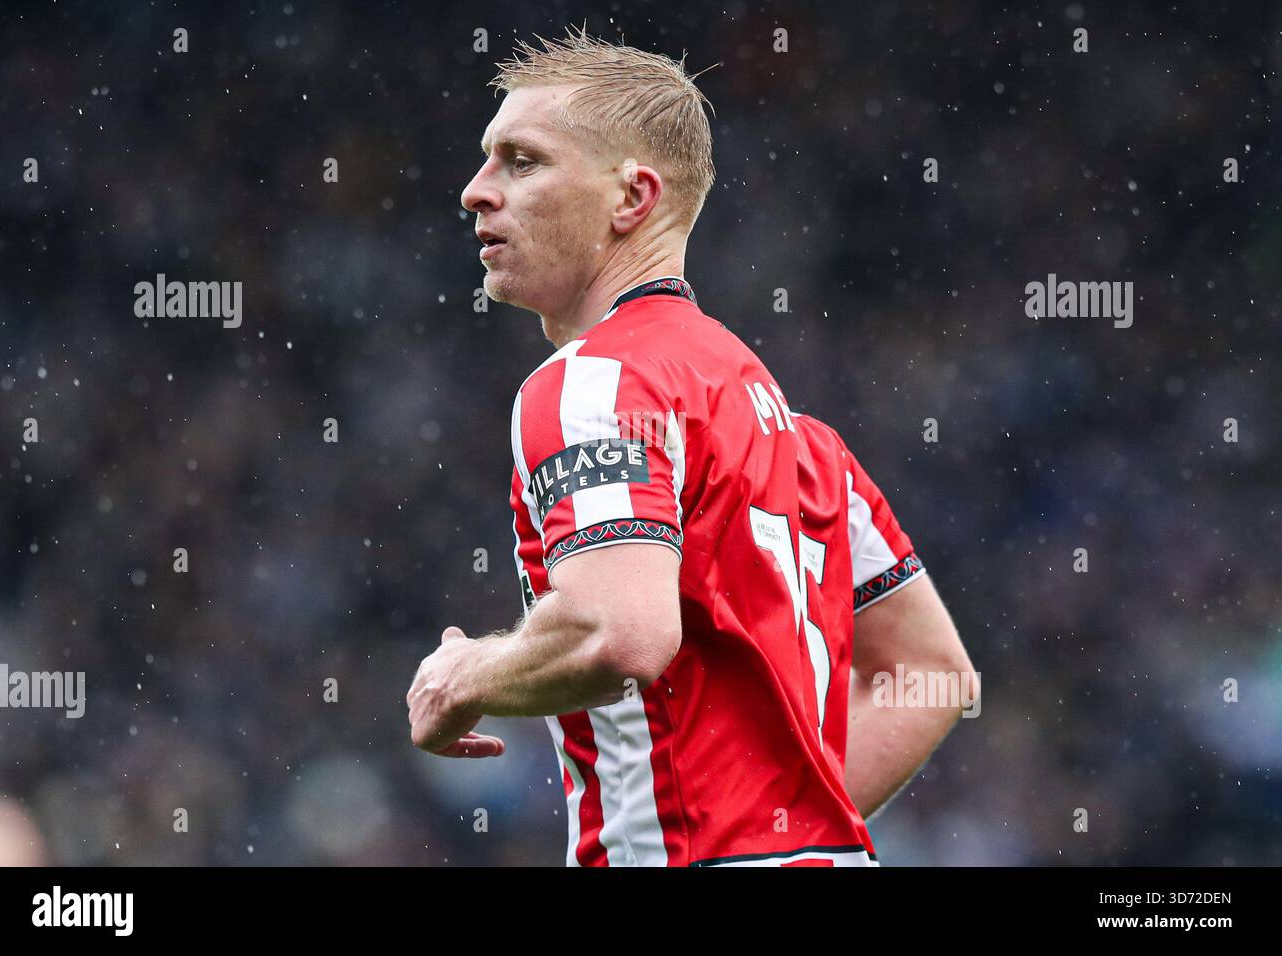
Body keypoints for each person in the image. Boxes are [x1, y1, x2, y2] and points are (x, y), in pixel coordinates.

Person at [406, 26, 978, 866]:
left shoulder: (592, 384)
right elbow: (930, 676)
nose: (474, 191)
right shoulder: (801, 436)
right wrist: (779, 829)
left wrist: (464, 679)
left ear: (632, 199)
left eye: (521, 161)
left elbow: (621, 635)